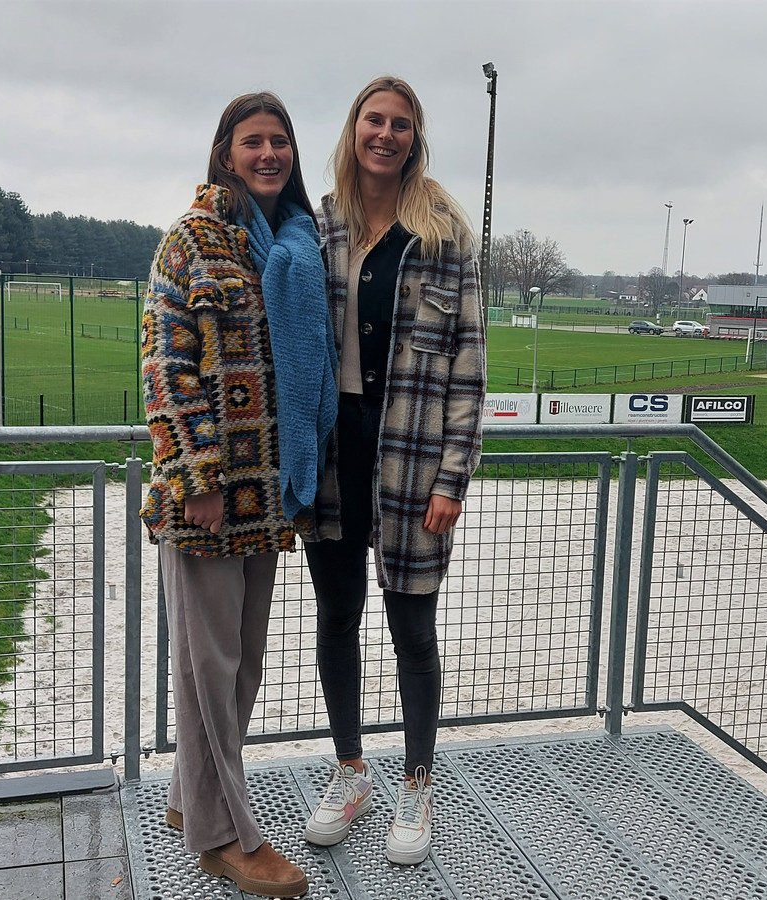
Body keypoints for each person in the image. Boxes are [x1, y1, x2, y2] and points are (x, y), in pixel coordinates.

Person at [141, 91, 336, 899]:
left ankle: (191, 802)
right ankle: (228, 837)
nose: (269, 154)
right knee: (208, 669)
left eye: (280, 141)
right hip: (210, 497)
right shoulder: (192, 240)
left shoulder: (291, 242)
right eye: (252, 141)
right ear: (224, 152)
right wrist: (198, 478)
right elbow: (165, 366)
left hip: (268, 500)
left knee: (239, 667)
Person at [298, 76, 486, 866]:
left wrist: (453, 478)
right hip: (333, 446)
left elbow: (469, 366)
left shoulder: (443, 235)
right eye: (373, 120)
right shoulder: (320, 225)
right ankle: (350, 770)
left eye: (399, 124)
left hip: (410, 454)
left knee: (413, 627)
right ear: (354, 130)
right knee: (337, 615)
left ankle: (417, 782)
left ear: (415, 138)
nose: (385, 134)